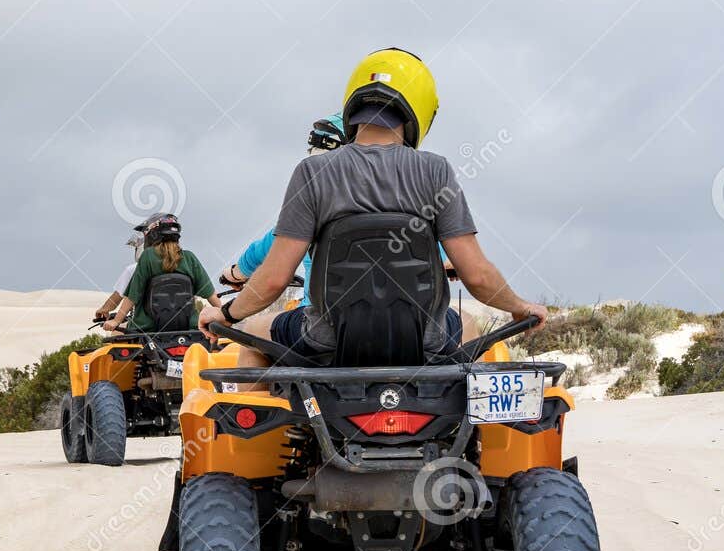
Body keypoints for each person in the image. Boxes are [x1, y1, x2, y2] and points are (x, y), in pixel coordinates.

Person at [198, 48, 547, 361]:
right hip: (426, 340)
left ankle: (266, 431)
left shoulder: (312, 172)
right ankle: (460, 425)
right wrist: (518, 307)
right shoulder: (435, 170)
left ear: (354, 102)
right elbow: (478, 275)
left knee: (250, 340)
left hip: (325, 341)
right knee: (467, 325)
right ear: (418, 110)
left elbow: (273, 280)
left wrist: (227, 316)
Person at [217, 113, 342, 298]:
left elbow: (268, 248)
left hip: (319, 319)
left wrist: (236, 273)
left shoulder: (311, 211)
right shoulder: (391, 198)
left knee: (253, 325)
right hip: (394, 317)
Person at [103, 214, 222, 333]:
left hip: (147, 329)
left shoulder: (148, 256)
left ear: (152, 234)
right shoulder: (190, 257)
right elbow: (211, 295)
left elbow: (133, 296)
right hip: (189, 328)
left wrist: (116, 321)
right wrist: (225, 317)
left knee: (116, 337)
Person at [93, 219, 149, 322]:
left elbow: (116, 298)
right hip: (181, 324)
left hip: (144, 323)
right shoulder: (181, 264)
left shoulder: (134, 269)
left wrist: (103, 310)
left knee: (116, 334)